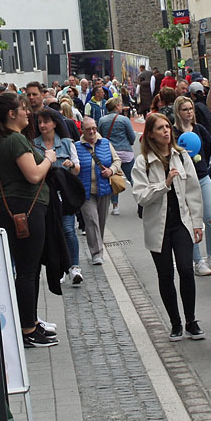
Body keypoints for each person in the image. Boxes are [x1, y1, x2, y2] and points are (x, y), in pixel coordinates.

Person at [0, 92, 58, 348]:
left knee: (29, 269)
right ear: (11, 114)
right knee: (28, 271)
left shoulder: (1, 140)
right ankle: (27, 328)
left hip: (16, 209)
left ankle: (30, 321)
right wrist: (49, 159)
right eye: (23, 109)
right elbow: (33, 175)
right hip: (24, 210)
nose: (28, 113)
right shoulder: (15, 140)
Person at [132, 111, 205, 341]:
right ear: (151, 135)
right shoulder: (143, 162)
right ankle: (175, 323)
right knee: (165, 275)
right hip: (158, 227)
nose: (166, 131)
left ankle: (191, 320)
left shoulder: (182, 157)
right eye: (161, 128)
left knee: (185, 269)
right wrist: (165, 185)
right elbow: (141, 196)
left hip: (182, 223)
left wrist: (197, 223)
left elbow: (194, 193)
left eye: (167, 127)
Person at [173, 96, 211, 275]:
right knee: (191, 221)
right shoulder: (174, 133)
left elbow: (209, 147)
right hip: (184, 181)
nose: (189, 112)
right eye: (185, 109)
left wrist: (204, 164)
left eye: (191, 109)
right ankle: (198, 261)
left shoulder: (199, 129)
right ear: (179, 112)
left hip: (202, 176)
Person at [34, 108, 81, 285]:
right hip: (44, 196)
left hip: (64, 195)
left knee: (68, 230)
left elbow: (77, 170)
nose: (42, 125)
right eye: (39, 122)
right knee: (51, 233)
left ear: (54, 123)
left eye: (45, 121)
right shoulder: (33, 144)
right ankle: (58, 268)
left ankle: (74, 267)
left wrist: (70, 165)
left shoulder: (68, 143)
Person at [75, 116, 122, 267]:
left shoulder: (105, 143)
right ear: (82, 130)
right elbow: (74, 168)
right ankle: (97, 253)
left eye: (94, 128)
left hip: (104, 190)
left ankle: (98, 248)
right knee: (91, 221)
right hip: (85, 191)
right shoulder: (76, 146)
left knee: (101, 222)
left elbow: (117, 161)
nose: (92, 132)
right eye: (88, 129)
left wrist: (111, 170)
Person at [100, 98, 137, 216]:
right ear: (116, 106)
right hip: (125, 151)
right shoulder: (124, 120)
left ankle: (115, 206)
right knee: (134, 178)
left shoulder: (102, 120)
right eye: (120, 105)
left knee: (113, 179)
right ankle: (140, 203)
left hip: (110, 153)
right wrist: (128, 143)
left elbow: (100, 136)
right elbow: (132, 136)